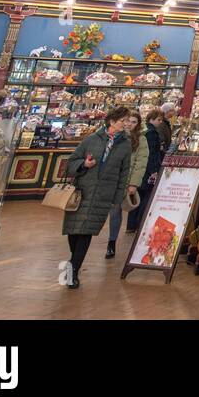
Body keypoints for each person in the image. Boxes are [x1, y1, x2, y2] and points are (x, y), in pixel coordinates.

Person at [62, 107, 134, 288]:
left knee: (86, 232)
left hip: (104, 193)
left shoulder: (125, 145)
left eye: (127, 121)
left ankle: (74, 270)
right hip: (82, 191)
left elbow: (124, 172)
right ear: (112, 121)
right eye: (123, 121)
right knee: (73, 231)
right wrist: (84, 165)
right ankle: (73, 260)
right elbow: (71, 163)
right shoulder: (92, 139)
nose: (126, 124)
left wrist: (118, 196)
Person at [105, 111, 148, 259]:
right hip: (109, 179)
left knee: (115, 212)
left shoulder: (141, 140)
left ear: (138, 124)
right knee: (108, 211)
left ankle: (111, 242)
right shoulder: (114, 136)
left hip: (125, 181)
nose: (129, 124)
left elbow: (141, 163)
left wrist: (134, 183)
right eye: (127, 121)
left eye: (133, 122)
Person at [126, 110, 165, 233]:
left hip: (140, 170)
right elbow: (152, 154)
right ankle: (139, 224)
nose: (160, 122)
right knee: (145, 197)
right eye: (158, 119)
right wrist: (154, 170)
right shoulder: (152, 134)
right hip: (147, 171)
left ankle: (131, 225)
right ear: (151, 119)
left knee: (135, 197)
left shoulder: (143, 133)